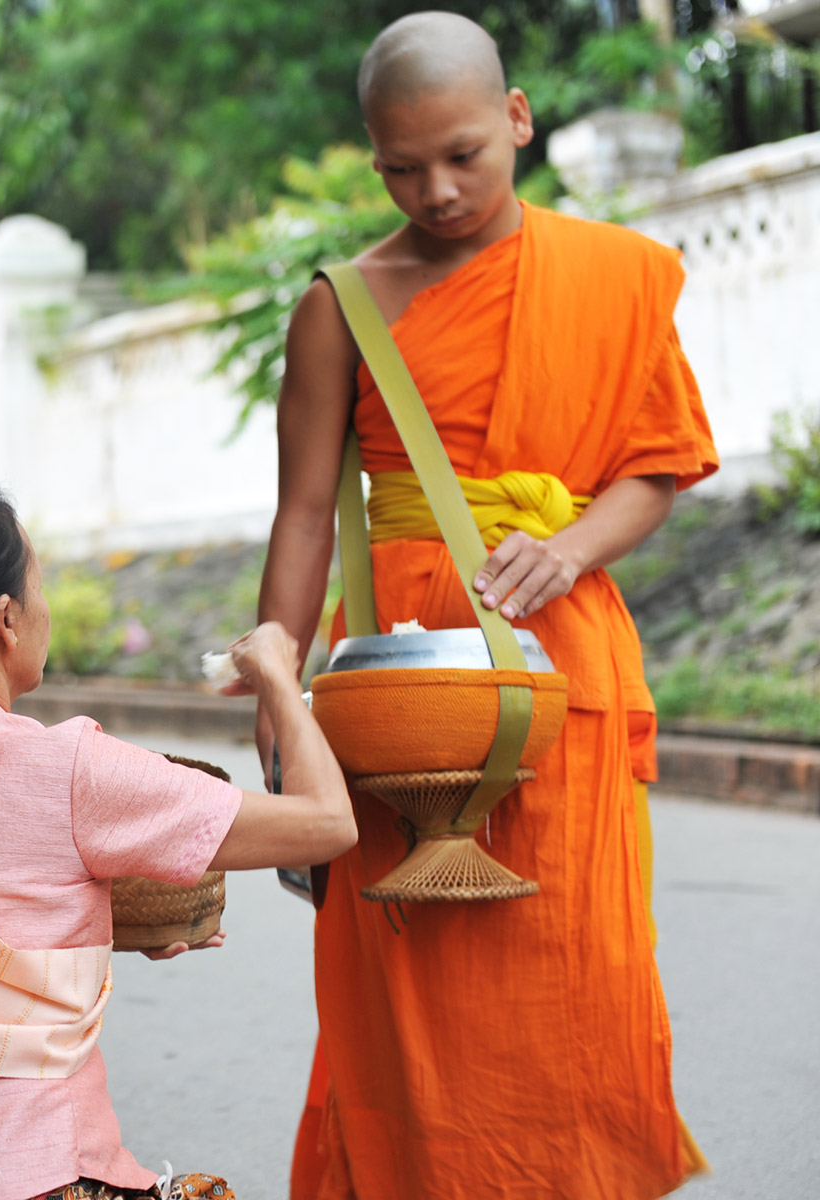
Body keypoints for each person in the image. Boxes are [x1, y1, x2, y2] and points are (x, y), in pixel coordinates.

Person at [256, 15, 720, 1200]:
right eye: (402, 168)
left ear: (517, 119)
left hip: (558, 664)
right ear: (375, 160)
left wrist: (568, 551)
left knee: (579, 970)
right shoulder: (342, 308)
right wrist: (277, 709)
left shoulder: (614, 275)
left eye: (462, 155)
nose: (439, 191)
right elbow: (303, 517)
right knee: (409, 988)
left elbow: (656, 467)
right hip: (397, 692)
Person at [0, 478, 357, 1200]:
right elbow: (326, 823)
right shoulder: (68, 767)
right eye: (39, 586)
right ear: (7, 618)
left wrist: (100, 928)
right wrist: (279, 676)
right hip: (40, 1173)